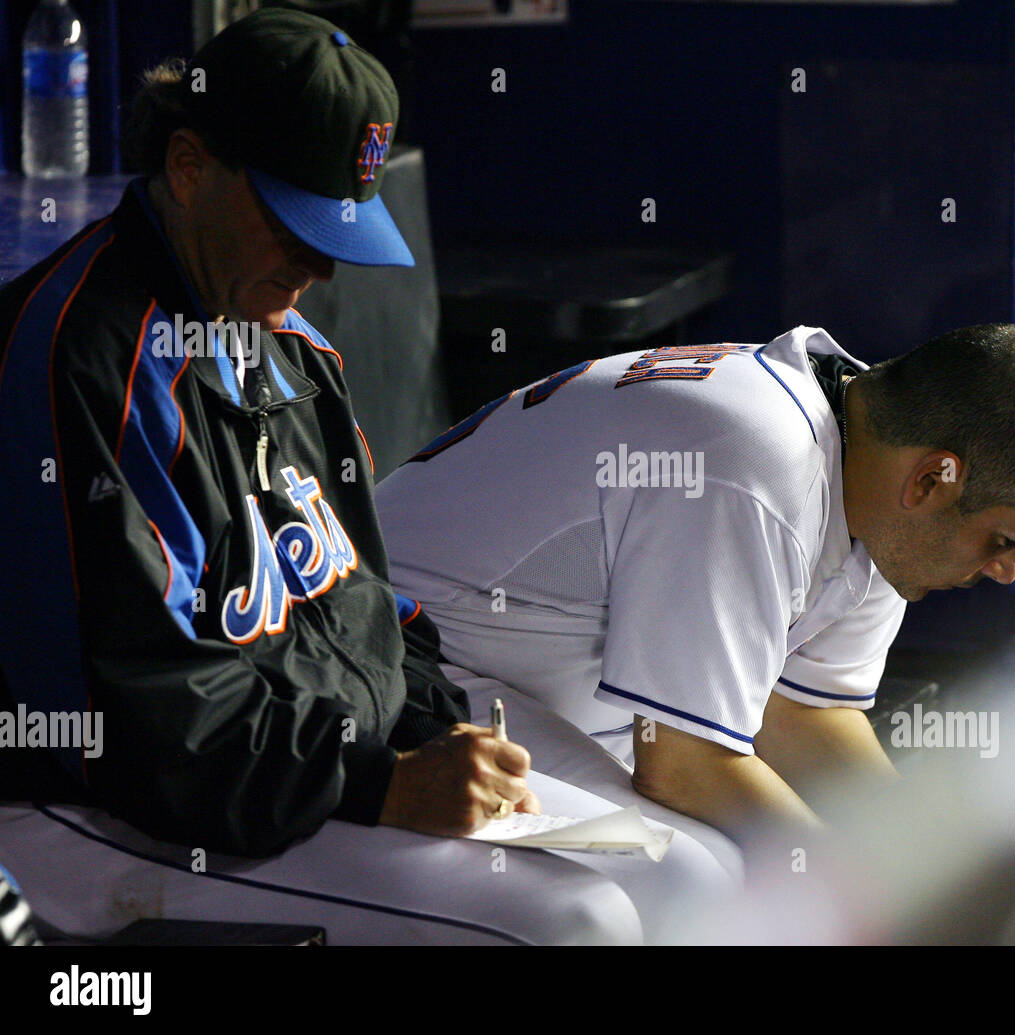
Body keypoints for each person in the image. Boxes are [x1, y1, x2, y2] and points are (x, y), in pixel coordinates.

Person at [0, 7, 733, 946]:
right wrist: (380, 783)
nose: (318, 268)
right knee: (574, 923)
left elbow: (364, 613)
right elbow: (129, 721)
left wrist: (436, 733)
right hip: (99, 813)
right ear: (189, 168)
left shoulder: (294, 354)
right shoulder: (78, 355)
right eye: (291, 222)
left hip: (296, 777)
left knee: (692, 883)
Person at [376, 324, 1015, 852]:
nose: (1009, 572)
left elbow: (798, 715)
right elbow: (684, 761)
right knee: (694, 877)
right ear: (931, 479)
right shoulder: (756, 461)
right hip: (396, 654)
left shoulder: (879, 477)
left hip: (532, 685)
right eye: (1006, 541)